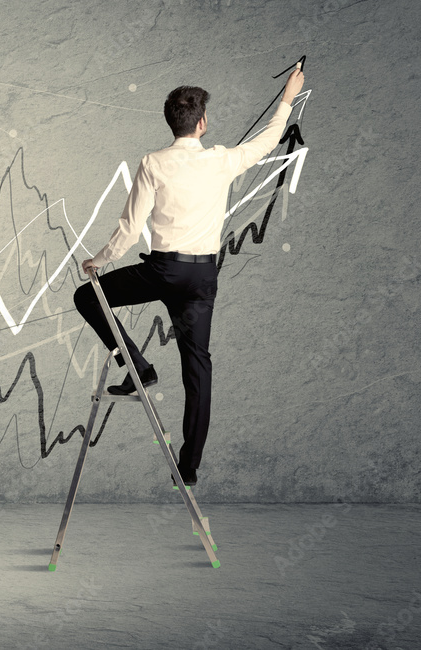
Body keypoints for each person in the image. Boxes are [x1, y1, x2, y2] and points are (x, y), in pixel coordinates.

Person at [74, 64, 305, 486]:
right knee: (198, 367)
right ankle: (190, 464)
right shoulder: (221, 160)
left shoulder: (153, 163)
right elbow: (268, 139)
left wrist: (98, 261)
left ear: (172, 123)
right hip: (201, 278)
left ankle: (137, 365)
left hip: (163, 270)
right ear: (202, 123)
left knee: (86, 296)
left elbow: (130, 228)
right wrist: (287, 96)